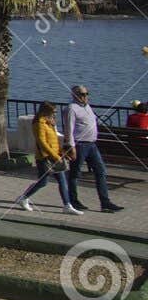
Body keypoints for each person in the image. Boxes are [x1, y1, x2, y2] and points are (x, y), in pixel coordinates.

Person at [63, 84, 125, 212]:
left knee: (101, 171)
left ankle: (105, 202)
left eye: (86, 94)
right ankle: (73, 201)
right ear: (74, 95)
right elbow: (69, 129)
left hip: (92, 145)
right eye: (81, 94)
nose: (84, 97)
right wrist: (71, 147)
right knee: (75, 174)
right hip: (79, 145)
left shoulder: (87, 107)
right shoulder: (71, 108)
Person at [18, 102, 80, 214]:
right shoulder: (39, 123)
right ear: (46, 111)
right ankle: (23, 198)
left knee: (62, 181)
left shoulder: (49, 123)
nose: (56, 113)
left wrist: (61, 153)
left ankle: (67, 205)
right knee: (43, 182)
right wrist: (55, 156)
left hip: (55, 156)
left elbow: (54, 140)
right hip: (44, 158)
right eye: (54, 111)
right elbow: (42, 142)